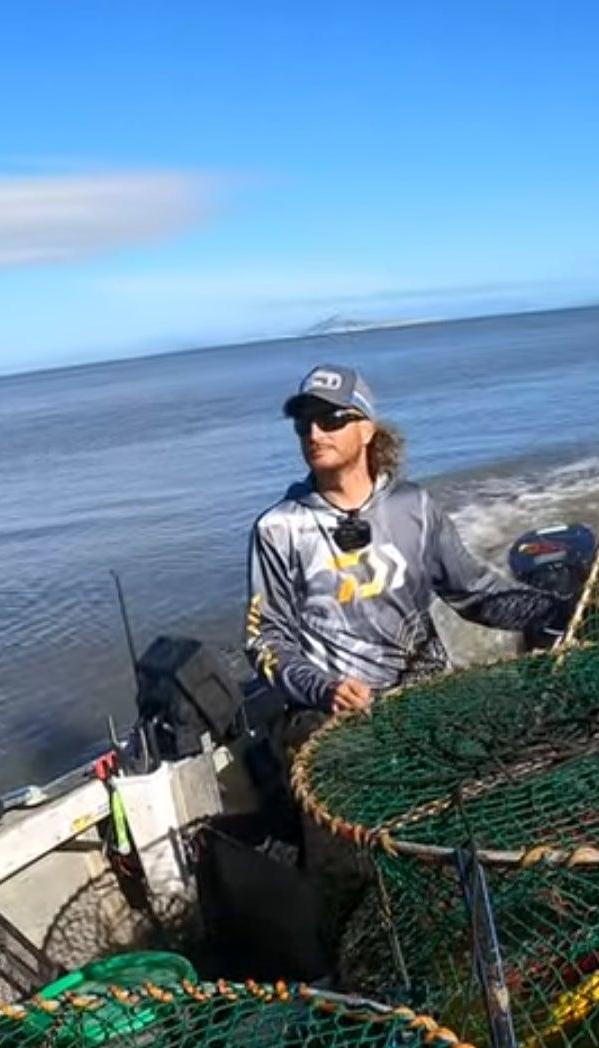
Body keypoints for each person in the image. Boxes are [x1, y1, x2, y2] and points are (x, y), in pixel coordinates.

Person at [242, 364, 567, 968]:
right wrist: (323, 687)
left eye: (331, 418)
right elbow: (266, 641)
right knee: (348, 883)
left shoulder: (415, 509)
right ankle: (362, 986)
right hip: (330, 728)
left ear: (365, 429)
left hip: (425, 702)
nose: (315, 432)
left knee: (471, 838)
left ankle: (474, 955)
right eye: (304, 421)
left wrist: (557, 609)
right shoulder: (277, 529)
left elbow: (476, 594)